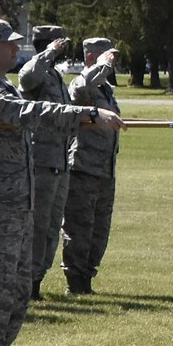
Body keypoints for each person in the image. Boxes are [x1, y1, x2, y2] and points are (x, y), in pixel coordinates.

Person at [0, 19, 118, 346]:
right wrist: (87, 115)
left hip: (14, 204)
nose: (15, 49)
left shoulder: (2, 85)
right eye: (7, 44)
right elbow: (28, 112)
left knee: (12, 289)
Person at [62, 36, 123, 295]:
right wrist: (103, 66)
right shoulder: (82, 83)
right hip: (84, 167)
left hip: (104, 168)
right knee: (80, 228)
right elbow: (81, 86)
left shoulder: (105, 88)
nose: (111, 63)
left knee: (100, 229)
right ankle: (76, 280)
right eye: (105, 57)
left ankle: (88, 274)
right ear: (90, 57)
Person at [18, 26, 75, 299]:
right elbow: (26, 77)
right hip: (41, 161)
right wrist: (49, 53)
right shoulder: (37, 72)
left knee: (52, 227)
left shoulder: (54, 76)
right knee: (37, 227)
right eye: (58, 43)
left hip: (60, 161)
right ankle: (27, 282)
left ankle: (37, 279)